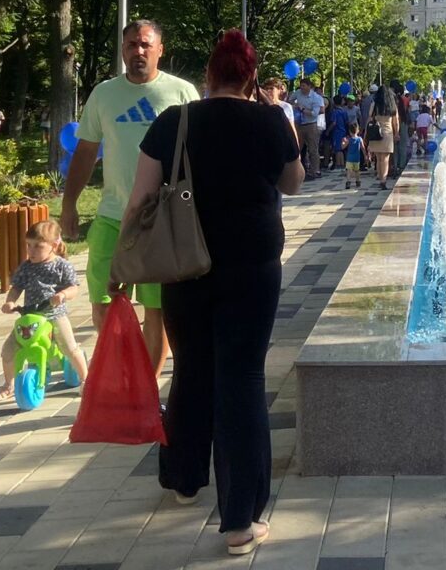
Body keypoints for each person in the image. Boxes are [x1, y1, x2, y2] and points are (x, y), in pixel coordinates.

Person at [126, 30, 302, 557]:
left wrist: (121, 264)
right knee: (242, 380)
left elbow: (139, 200)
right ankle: (240, 521)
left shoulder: (174, 122)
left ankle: (183, 480)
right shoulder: (269, 121)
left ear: (208, 74)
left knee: (194, 369)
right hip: (252, 267)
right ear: (252, 77)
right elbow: (292, 183)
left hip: (183, 265)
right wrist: (280, 119)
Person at [60, 20, 198, 376]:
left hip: (161, 221)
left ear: (160, 50)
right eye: (131, 46)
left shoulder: (182, 93)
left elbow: (198, 154)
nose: (138, 51)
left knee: (157, 309)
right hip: (111, 216)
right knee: (104, 302)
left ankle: (148, 390)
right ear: (122, 50)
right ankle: (123, 375)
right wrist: (69, 205)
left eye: (145, 45)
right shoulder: (104, 95)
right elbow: (86, 152)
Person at [0, 220, 88, 402]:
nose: (31, 251)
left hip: (54, 315)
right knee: (9, 350)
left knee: (69, 347)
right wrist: (10, 302)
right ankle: (8, 385)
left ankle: (85, 379)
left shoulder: (61, 266)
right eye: (28, 245)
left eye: (38, 246)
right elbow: (16, 287)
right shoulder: (27, 267)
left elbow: (74, 287)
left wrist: (63, 295)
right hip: (30, 317)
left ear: (54, 245)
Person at [290, 78, 324, 181]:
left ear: (310, 86)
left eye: (304, 86)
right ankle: (298, 170)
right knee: (298, 148)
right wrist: (295, 105)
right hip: (299, 124)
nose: (302, 88)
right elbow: (290, 99)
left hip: (311, 124)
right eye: (301, 86)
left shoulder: (316, 98)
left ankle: (315, 170)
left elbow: (315, 113)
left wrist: (302, 109)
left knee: (313, 148)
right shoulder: (298, 93)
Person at [366, 83, 400, 186]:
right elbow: (396, 121)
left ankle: (380, 177)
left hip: (376, 132)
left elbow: (370, 117)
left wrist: (366, 133)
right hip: (388, 132)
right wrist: (396, 133)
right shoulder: (392, 106)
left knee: (378, 157)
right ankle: (383, 180)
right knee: (385, 158)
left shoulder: (375, 104)